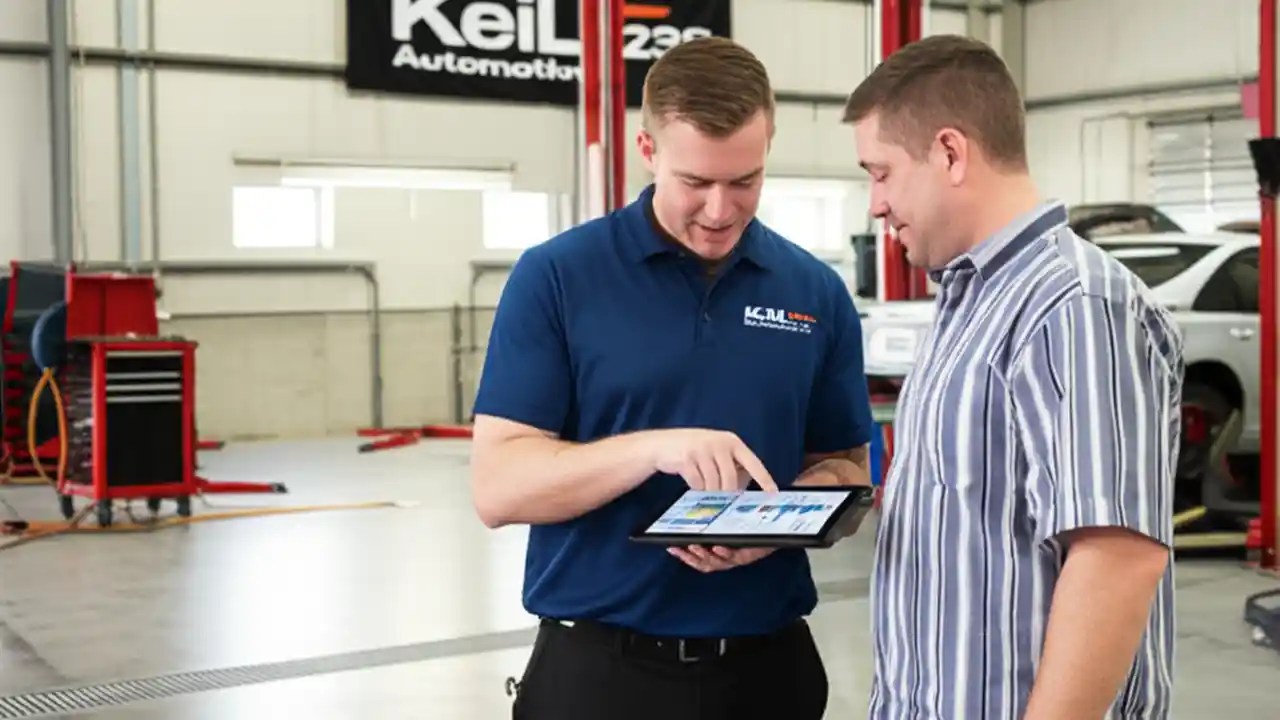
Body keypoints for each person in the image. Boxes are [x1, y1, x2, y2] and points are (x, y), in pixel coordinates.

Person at [469, 36, 876, 720]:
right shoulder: (559, 277)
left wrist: (773, 525)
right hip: (599, 677)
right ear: (648, 150)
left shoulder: (816, 292)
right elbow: (498, 488)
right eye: (695, 183)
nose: (720, 211)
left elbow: (845, 466)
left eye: (744, 181)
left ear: (768, 144)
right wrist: (653, 448)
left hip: (768, 673)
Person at [842, 34, 1183, 720]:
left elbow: (1114, 558)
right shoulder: (969, 301)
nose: (874, 205)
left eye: (880, 172)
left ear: (949, 152)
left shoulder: (1074, 305)